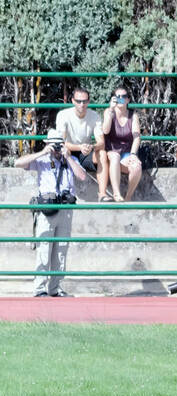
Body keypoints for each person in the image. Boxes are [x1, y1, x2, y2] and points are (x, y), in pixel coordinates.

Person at [17, 128, 87, 297]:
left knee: (61, 250)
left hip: (65, 209)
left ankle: (55, 288)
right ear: (47, 144)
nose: (56, 148)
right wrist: (42, 152)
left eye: (59, 144)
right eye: (53, 144)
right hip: (47, 209)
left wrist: (68, 157)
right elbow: (18, 163)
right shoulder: (41, 160)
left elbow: (82, 176)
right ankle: (39, 288)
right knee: (44, 249)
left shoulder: (70, 160)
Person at [96, 86, 142, 202]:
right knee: (115, 157)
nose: (120, 99)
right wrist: (111, 110)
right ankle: (116, 194)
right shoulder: (109, 112)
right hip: (111, 150)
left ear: (128, 100)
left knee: (136, 167)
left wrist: (133, 154)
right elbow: (105, 131)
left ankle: (128, 197)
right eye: (118, 97)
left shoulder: (133, 116)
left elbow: (137, 137)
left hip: (126, 152)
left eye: (124, 97)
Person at [55, 87, 99, 176]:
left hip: (86, 152)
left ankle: (102, 190)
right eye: (78, 101)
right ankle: (61, 186)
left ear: (88, 101)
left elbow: (101, 141)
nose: (82, 104)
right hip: (69, 150)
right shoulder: (63, 115)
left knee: (103, 155)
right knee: (63, 151)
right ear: (73, 101)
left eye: (84, 101)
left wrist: (92, 146)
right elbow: (61, 142)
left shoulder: (94, 115)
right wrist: (80, 147)